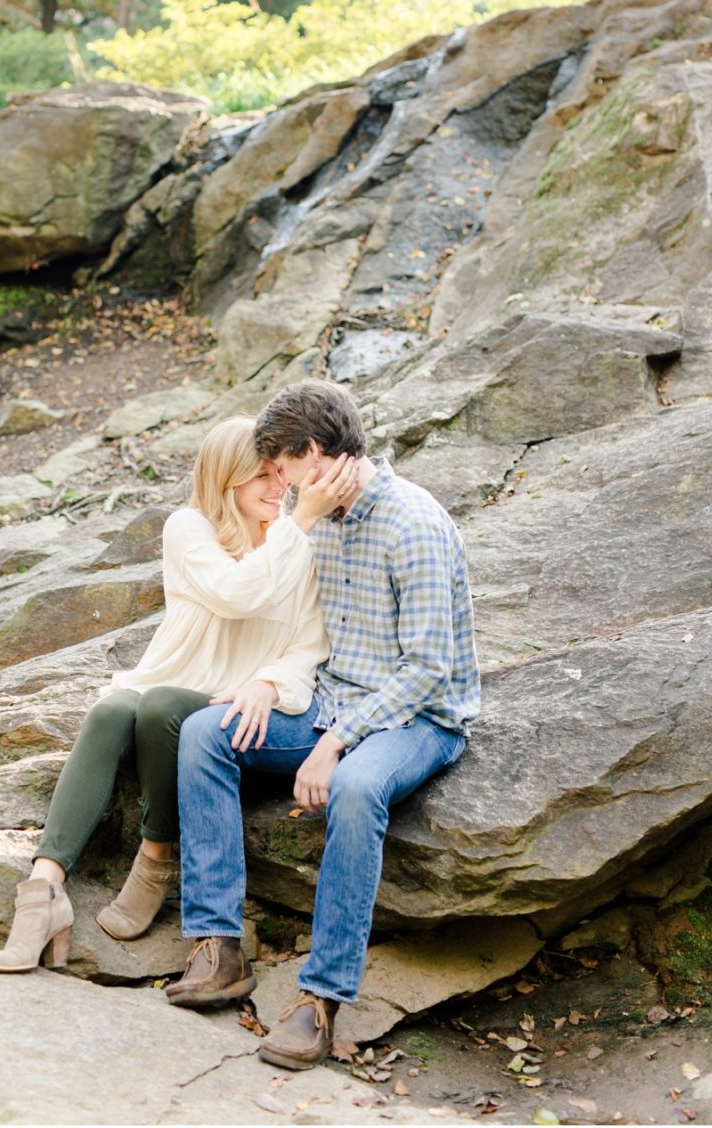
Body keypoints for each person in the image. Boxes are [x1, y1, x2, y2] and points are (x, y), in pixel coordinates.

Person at [165, 379, 480, 1070]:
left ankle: (320, 999)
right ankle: (219, 947)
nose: (276, 489)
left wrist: (334, 744)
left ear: (312, 455)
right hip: (334, 697)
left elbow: (426, 670)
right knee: (203, 733)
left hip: (417, 718)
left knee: (358, 789)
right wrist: (264, 683)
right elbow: (296, 629)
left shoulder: (413, 524)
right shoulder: (315, 521)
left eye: (280, 472)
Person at [0, 414, 357, 974]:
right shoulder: (190, 528)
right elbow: (236, 594)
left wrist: (267, 683)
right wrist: (297, 522)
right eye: (263, 478)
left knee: (161, 707)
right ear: (225, 479)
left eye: (282, 475)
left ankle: (157, 856)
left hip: (223, 719)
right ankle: (42, 893)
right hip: (163, 703)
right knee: (113, 709)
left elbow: (309, 645)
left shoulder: (300, 541)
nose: (282, 489)